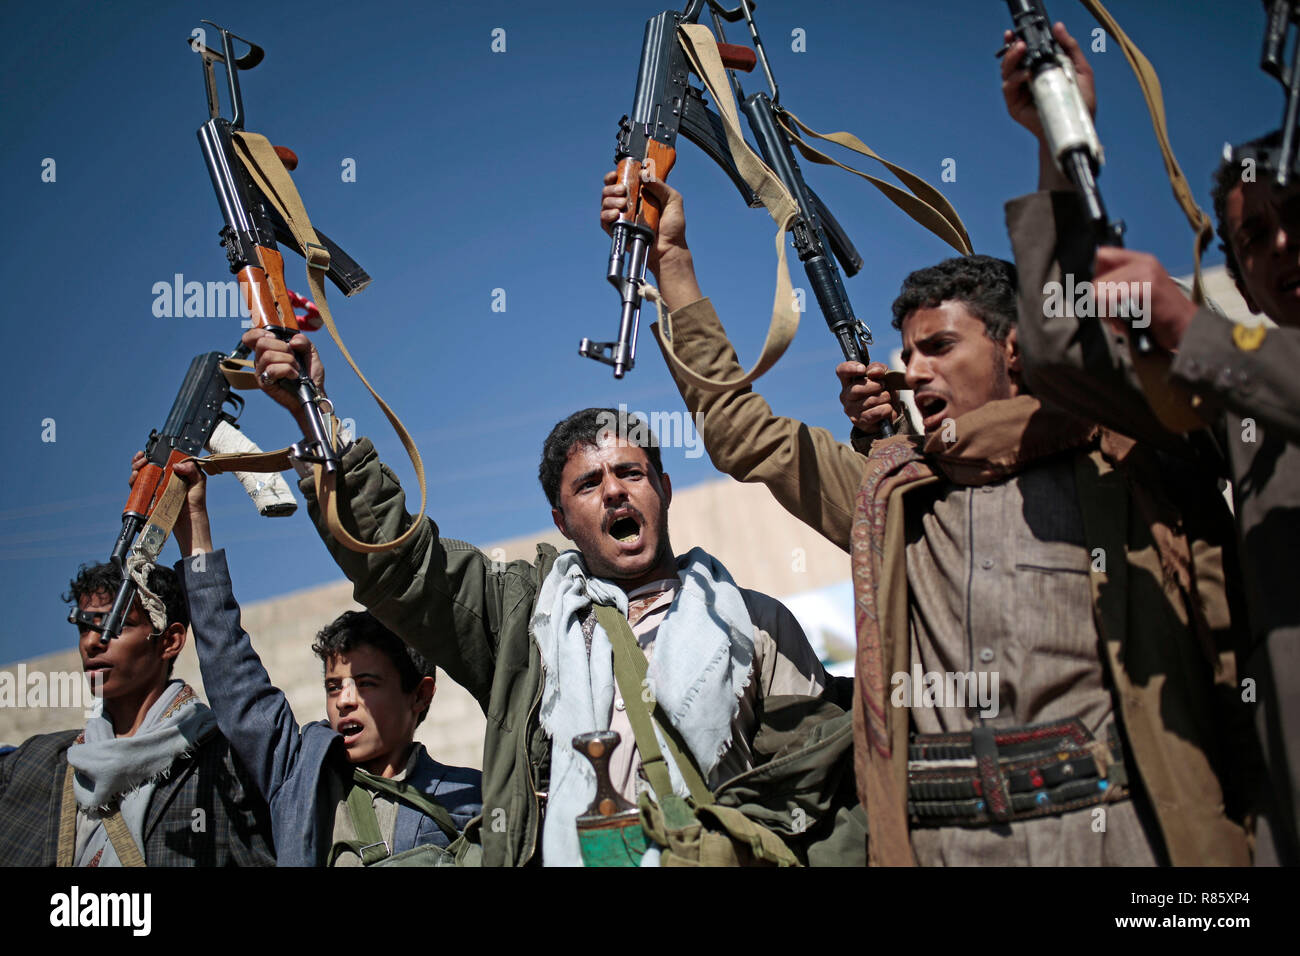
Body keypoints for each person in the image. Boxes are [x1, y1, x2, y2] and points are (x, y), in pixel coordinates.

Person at [599, 148, 1258, 863]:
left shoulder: (1124, 464)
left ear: (1016, 352)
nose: (913, 372)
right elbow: (741, 435)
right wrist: (672, 262)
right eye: (908, 355)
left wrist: (1047, 135)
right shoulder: (894, 496)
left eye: (940, 347)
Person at [242, 334, 835, 867]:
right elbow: (405, 564)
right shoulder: (524, 620)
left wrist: (722, 849)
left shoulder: (751, 625)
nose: (613, 491)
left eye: (630, 472)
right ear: (561, 519)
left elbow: (814, 784)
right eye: (588, 484)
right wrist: (316, 417)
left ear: (664, 488)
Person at [998, 20, 1296, 865]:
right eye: (1253, 237)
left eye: (1297, 216)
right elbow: (1060, 353)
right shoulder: (1242, 414)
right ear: (1239, 278)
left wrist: (1189, 331)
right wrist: (1061, 141)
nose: (1282, 244)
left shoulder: (1239, 374)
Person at [145, 454, 483, 867]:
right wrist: (194, 523)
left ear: (419, 695)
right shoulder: (300, 776)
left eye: (366, 683)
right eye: (333, 686)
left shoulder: (472, 799)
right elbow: (236, 683)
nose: (344, 701)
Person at [0, 561, 274, 866]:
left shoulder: (224, 765)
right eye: (84, 628)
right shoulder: (34, 763)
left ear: (169, 641)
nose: (91, 642)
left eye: (113, 626)